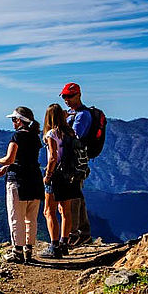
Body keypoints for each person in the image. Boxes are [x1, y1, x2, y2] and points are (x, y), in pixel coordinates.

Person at [0, 107, 42, 263]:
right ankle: (29, 251)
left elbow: (10, 158)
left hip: (18, 181)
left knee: (16, 216)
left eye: (14, 119)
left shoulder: (17, 136)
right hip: (35, 179)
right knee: (31, 218)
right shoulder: (35, 137)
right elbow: (26, 160)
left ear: (19, 121)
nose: (12, 122)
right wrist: (7, 167)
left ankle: (17, 252)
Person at [42, 103, 81, 258]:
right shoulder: (70, 132)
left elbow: (53, 157)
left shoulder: (51, 134)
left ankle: (54, 247)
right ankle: (64, 244)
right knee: (65, 211)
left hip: (56, 176)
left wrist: (48, 175)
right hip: (70, 175)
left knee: (49, 211)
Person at [60, 82, 92, 246]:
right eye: (64, 96)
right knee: (77, 195)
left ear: (79, 95)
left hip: (75, 163)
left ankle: (73, 234)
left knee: (72, 197)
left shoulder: (82, 116)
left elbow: (75, 137)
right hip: (75, 161)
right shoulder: (75, 114)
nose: (66, 100)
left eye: (69, 96)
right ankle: (84, 232)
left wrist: (62, 124)